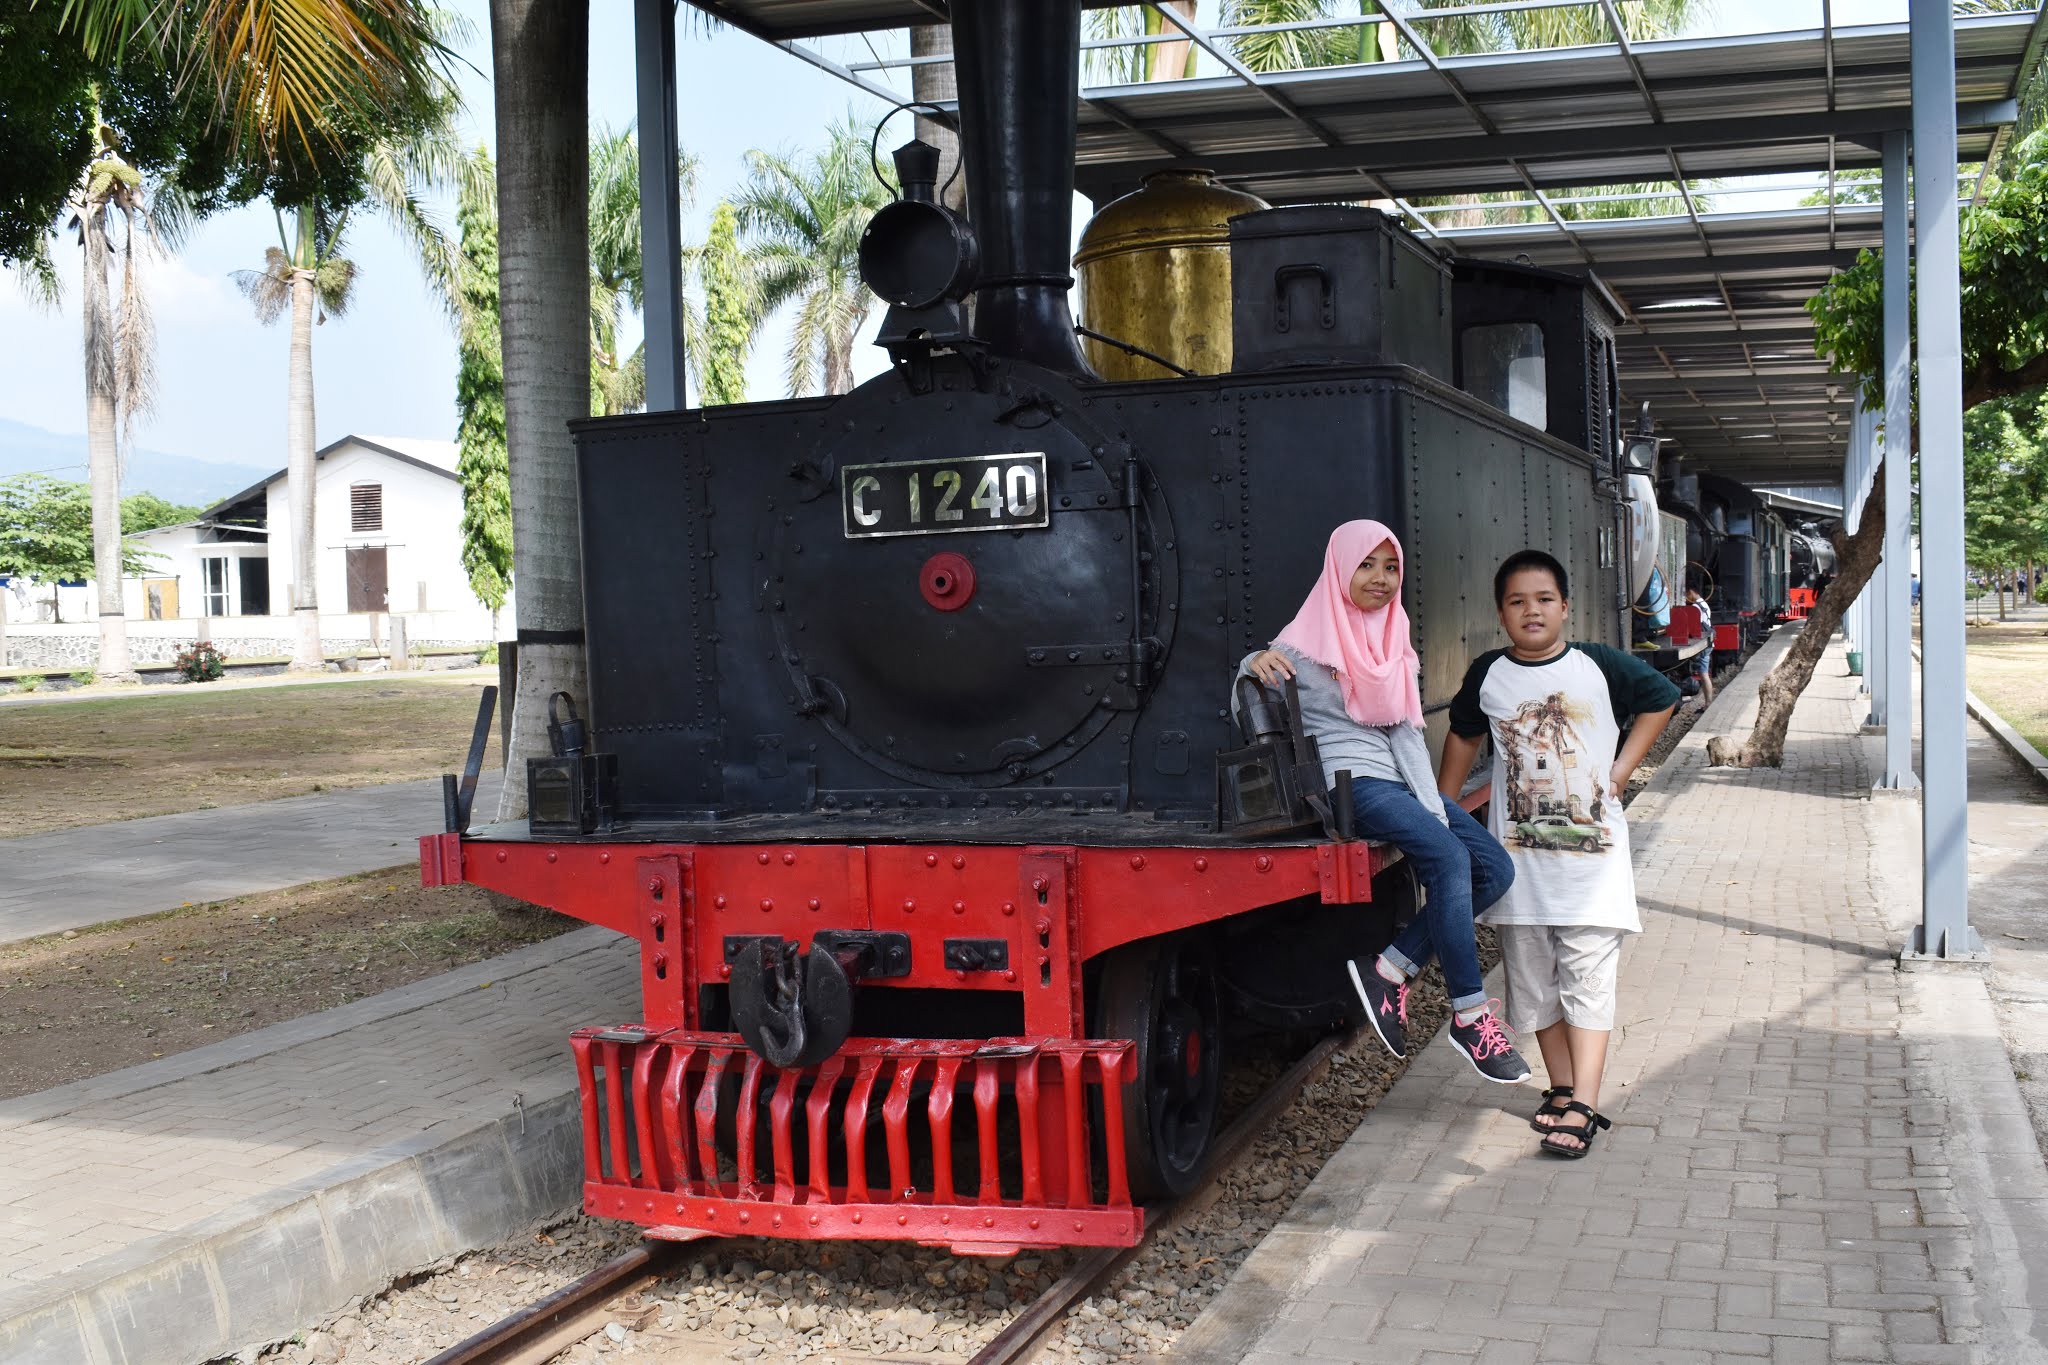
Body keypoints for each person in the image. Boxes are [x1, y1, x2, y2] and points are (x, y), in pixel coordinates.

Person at [1242, 520, 1530, 1084]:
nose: (1380, 579)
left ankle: (1388, 972)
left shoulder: (1392, 638)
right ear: (1339, 569)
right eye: (1366, 565)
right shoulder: (1301, 642)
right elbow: (1249, 698)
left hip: (1397, 777)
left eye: (1390, 566)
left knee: (1494, 869)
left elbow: (1404, 731)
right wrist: (1248, 665)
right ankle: (1470, 1016)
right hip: (1349, 780)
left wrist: (1432, 803)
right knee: (1448, 860)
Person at [1439, 550, 1678, 1157]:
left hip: (1592, 871)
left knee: (1588, 983)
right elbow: (1464, 734)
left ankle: (1586, 1107)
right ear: (1501, 613)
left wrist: (1623, 768)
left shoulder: (1596, 664)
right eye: (1517, 602)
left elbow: (1661, 698)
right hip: (1520, 871)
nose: (1532, 611)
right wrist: (1440, 808)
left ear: (1565, 607)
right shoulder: (1489, 675)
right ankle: (1562, 1088)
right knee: (1532, 985)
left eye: (1544, 599)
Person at [1683, 583, 1715, 706]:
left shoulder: (1696, 607)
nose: (1686, 598)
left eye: (1687, 594)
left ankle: (1708, 703)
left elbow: (1695, 625)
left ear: (1691, 591)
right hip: (1708, 643)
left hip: (1703, 645)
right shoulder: (1704, 604)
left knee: (1703, 674)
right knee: (1704, 673)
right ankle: (1708, 702)